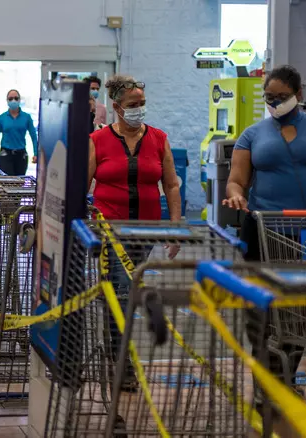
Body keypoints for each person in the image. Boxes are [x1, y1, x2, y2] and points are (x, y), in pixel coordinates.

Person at [223, 64, 306, 406]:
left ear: (298, 95)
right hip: (264, 229)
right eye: (269, 97)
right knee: (262, 308)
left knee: (297, 310)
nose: (275, 103)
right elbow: (237, 179)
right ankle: (265, 384)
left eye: (282, 97)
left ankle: (287, 379)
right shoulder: (253, 134)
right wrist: (236, 194)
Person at [88, 74, 181, 391]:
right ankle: (122, 362)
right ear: (116, 107)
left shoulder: (157, 138)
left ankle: (117, 353)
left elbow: (170, 184)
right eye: (132, 105)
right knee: (122, 291)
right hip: (110, 231)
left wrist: (175, 226)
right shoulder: (98, 141)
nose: (139, 109)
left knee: (125, 294)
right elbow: (85, 185)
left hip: (146, 230)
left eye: (142, 104)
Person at [0, 89, 38, 176]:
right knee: (7, 183)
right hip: (5, 154)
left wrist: (36, 153)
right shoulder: (1, 118)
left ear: (19, 100)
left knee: (19, 184)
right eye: (10, 98)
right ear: (7, 100)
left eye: (16, 98)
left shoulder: (27, 117)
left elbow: (34, 137)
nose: (13, 101)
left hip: (21, 155)